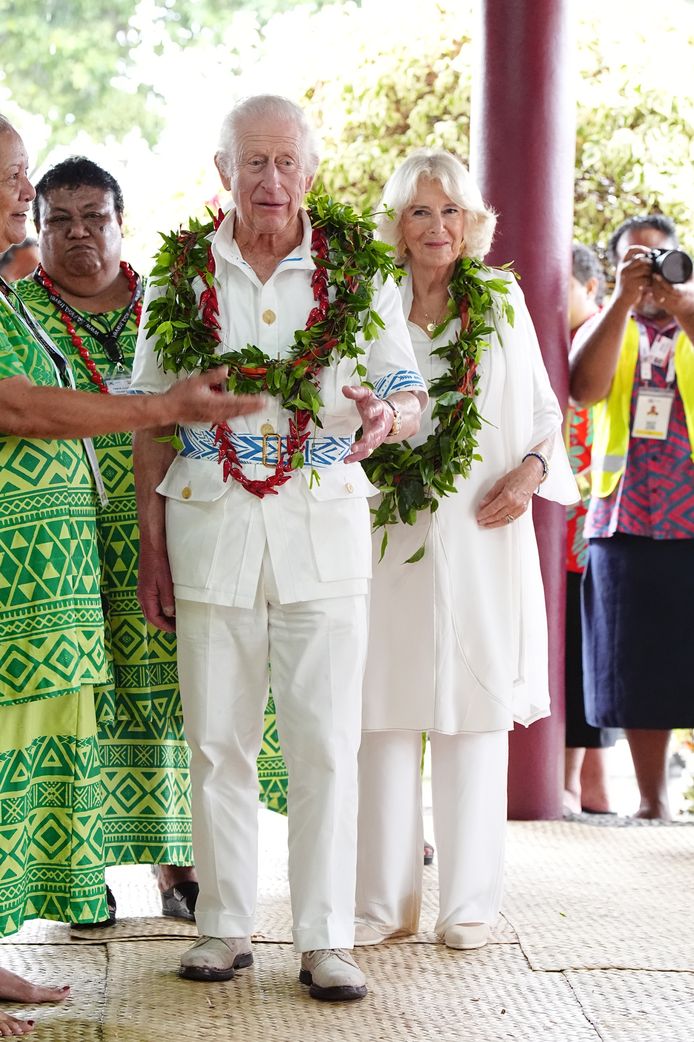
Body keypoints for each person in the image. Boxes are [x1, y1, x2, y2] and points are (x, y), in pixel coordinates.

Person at [131, 94, 426, 1002]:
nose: (270, 181)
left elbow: (408, 393)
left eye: (286, 162)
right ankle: (222, 924)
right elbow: (149, 415)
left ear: (311, 170)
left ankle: (325, 938)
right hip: (208, 523)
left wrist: (388, 414)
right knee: (215, 737)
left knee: (324, 742)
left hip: (323, 526)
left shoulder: (362, 270)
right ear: (222, 171)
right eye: (252, 162)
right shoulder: (181, 272)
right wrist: (151, 548)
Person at [0, 113, 259, 1035]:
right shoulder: (19, 306)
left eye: (92, 215)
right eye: (49, 210)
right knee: (55, 730)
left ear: (121, 222)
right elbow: (18, 408)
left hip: (136, 540)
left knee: (167, 701)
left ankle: (180, 869)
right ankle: (82, 877)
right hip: (42, 565)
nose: (73, 231)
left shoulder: (167, 305)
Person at [354, 150, 577, 952]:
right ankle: (383, 904)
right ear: (398, 224)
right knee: (381, 709)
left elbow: (546, 416)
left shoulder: (503, 301)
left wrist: (531, 470)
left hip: (483, 535)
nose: (437, 228)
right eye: (420, 212)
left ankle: (470, 904)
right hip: (385, 531)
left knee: (472, 711)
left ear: (471, 221)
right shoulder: (365, 304)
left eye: (451, 212)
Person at [570, 215, 694, 820]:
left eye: (661, 258)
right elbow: (584, 389)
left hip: (691, 515)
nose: (650, 272)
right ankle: (653, 802)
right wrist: (622, 300)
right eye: (636, 261)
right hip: (624, 515)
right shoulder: (605, 324)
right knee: (637, 660)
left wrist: (683, 307)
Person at [563, 243, 618, 817]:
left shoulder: (607, 337)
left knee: (586, 651)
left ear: (590, 287)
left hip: (593, 525)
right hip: (560, 527)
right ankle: (580, 785)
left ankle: (585, 785)